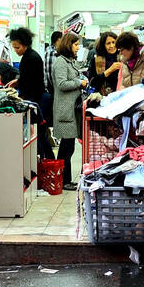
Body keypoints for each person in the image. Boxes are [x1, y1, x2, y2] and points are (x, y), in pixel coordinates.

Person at [50, 32, 87, 190]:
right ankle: (63, 181)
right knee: (66, 147)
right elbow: (61, 84)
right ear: (68, 45)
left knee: (69, 146)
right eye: (76, 44)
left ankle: (65, 180)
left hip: (71, 110)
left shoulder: (69, 61)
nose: (78, 48)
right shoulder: (60, 62)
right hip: (65, 110)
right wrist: (79, 82)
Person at [8, 27, 53, 160]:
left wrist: (20, 88)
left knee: (37, 133)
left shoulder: (31, 58)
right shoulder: (30, 56)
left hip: (37, 99)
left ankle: (42, 161)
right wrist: (18, 81)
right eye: (14, 48)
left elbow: (30, 81)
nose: (16, 51)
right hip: (36, 97)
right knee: (40, 133)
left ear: (25, 44)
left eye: (17, 47)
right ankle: (47, 161)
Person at [87, 31, 121, 95]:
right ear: (103, 45)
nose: (112, 46)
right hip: (103, 98)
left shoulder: (123, 58)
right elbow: (92, 82)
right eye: (108, 43)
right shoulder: (96, 61)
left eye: (114, 42)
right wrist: (109, 71)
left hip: (121, 96)